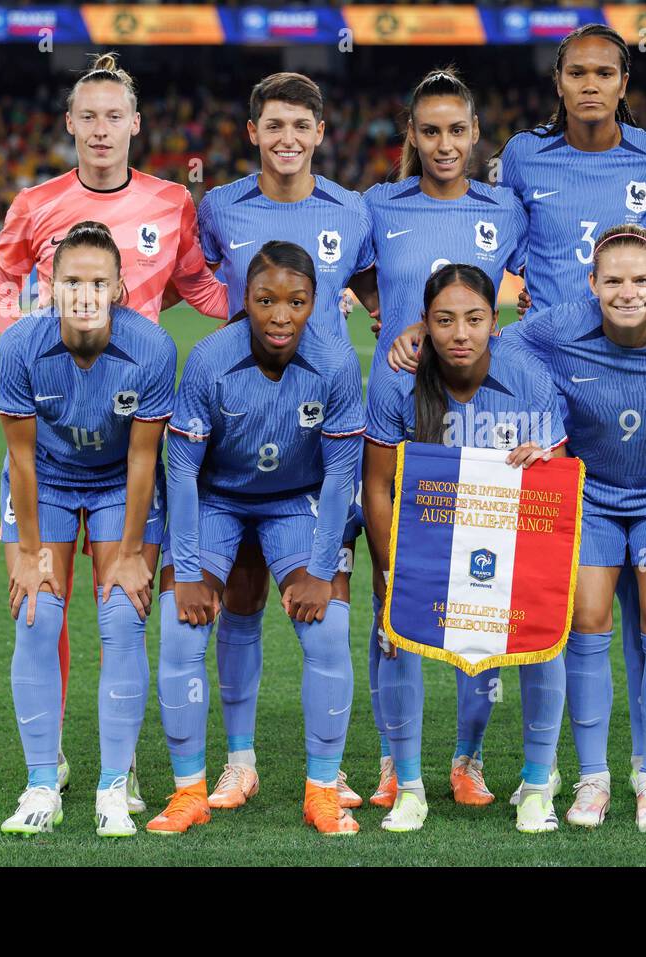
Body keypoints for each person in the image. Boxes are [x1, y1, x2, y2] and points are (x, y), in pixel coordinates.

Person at [394, 24, 646, 805]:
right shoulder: (523, 156)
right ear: (557, 81)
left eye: (606, 73)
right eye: (577, 73)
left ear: (625, 81)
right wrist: (444, 327)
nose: (591, 85)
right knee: (517, 590)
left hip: (628, 363)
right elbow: (495, 240)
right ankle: (502, 759)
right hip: (539, 376)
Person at [0, 53, 227, 810]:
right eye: (85, 116)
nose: (99, 128)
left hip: (136, 417)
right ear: (69, 125)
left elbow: (198, 284)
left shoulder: (168, 201)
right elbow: (1, 282)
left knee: (120, 606)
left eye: (111, 115)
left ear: (134, 124)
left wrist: (277, 307)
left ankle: (115, 773)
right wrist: (34, 349)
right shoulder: (35, 202)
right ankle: (47, 762)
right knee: (40, 602)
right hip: (58, 410)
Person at [193, 72, 377, 810]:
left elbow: (376, 290)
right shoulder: (219, 207)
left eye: (300, 126)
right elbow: (199, 286)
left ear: (321, 133)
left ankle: (327, 772)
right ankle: (240, 761)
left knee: (330, 595)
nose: (287, 139)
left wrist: (398, 336)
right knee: (240, 593)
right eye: (274, 125)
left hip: (326, 434)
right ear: (253, 133)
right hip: (241, 432)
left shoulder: (351, 210)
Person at [498, 224, 646, 831]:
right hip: (590, 494)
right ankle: (593, 778)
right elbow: (499, 345)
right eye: (613, 280)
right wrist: (544, 420)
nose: (627, 292)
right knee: (587, 623)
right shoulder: (559, 327)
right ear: (591, 284)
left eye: (640, 280)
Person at [360, 68, 530, 809]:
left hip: (479, 416)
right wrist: (391, 321)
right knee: (391, 595)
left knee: (477, 598)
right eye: (429, 131)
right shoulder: (376, 206)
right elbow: (357, 279)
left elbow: (532, 296)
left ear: (474, 134)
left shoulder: (506, 209)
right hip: (397, 412)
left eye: (457, 130)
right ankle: (398, 763)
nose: (444, 144)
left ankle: (467, 756)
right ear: (411, 136)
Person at [152, 242, 364, 836]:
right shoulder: (208, 360)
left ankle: (322, 789)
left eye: (296, 302)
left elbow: (342, 473)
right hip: (217, 499)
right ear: (243, 300)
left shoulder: (337, 366)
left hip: (296, 502)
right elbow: (183, 470)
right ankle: (190, 789)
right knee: (179, 624)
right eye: (265, 300)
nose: (279, 315)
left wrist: (322, 570)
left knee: (328, 629)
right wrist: (189, 570)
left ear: (314, 304)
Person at [363, 264, 568, 833]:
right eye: (445, 320)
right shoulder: (395, 379)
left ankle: (531, 783)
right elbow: (377, 485)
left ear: (494, 322)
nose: (460, 334)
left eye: (474, 319)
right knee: (397, 638)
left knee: (537, 640)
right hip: (421, 540)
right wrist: (387, 574)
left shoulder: (527, 376)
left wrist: (542, 459)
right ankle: (407, 787)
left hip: (503, 535)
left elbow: (554, 474)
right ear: (423, 326)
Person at [0, 221, 175, 837]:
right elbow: (19, 458)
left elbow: (144, 459)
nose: (85, 293)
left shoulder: (152, 349)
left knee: (123, 616)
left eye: (98, 281)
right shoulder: (19, 346)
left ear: (120, 287)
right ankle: (43, 782)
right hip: (43, 480)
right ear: (50, 284)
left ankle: (113, 786)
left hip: (118, 484)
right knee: (37, 615)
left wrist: (128, 552)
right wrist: (25, 551)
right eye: (72, 280)